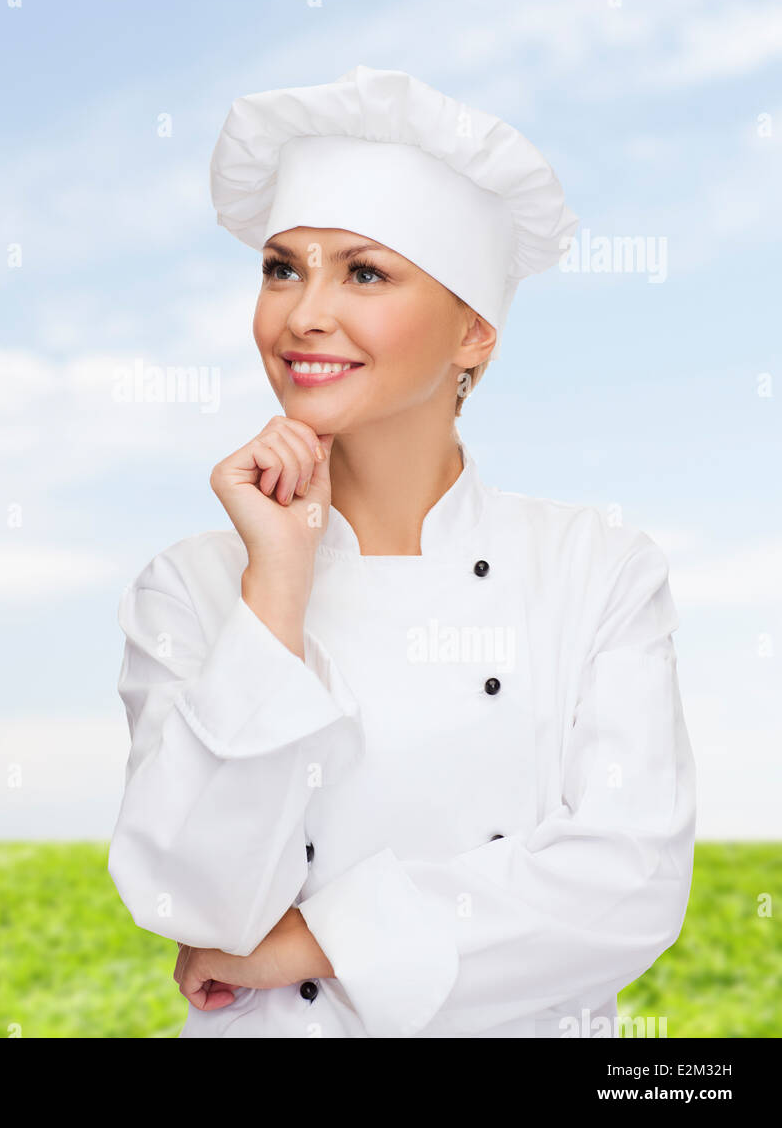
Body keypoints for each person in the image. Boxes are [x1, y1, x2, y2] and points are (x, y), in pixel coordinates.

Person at [106, 66, 696, 1038]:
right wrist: (277, 589)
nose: (302, 314)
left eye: (364, 272)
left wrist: (310, 939)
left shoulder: (595, 570)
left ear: (474, 332)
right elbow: (196, 906)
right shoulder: (195, 583)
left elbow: (626, 883)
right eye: (281, 267)